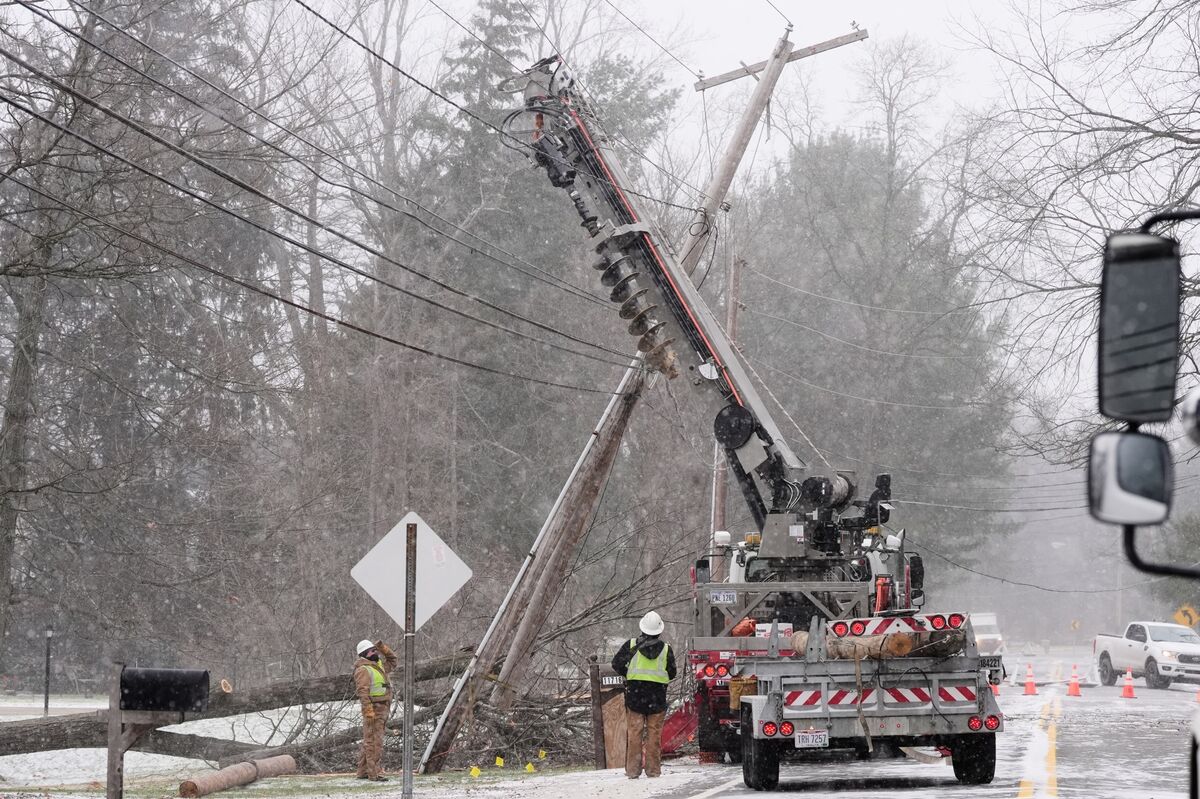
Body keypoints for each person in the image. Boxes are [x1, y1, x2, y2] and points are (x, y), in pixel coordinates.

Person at [611, 610, 677, 779]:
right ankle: (653, 771)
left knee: (634, 735)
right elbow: (672, 673)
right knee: (654, 737)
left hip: (635, 698)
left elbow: (616, 663)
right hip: (657, 699)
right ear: (659, 630)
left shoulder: (631, 645)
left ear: (642, 628)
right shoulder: (666, 650)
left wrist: (630, 675)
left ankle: (633, 771)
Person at [353, 638, 397, 781]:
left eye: (375, 650)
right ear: (365, 654)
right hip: (374, 709)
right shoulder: (363, 669)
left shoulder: (378, 666)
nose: (375, 652)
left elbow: (393, 661)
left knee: (370, 741)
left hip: (382, 707)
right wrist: (368, 711)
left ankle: (362, 772)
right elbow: (363, 693)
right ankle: (374, 774)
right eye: (372, 650)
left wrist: (383, 648)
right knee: (374, 742)